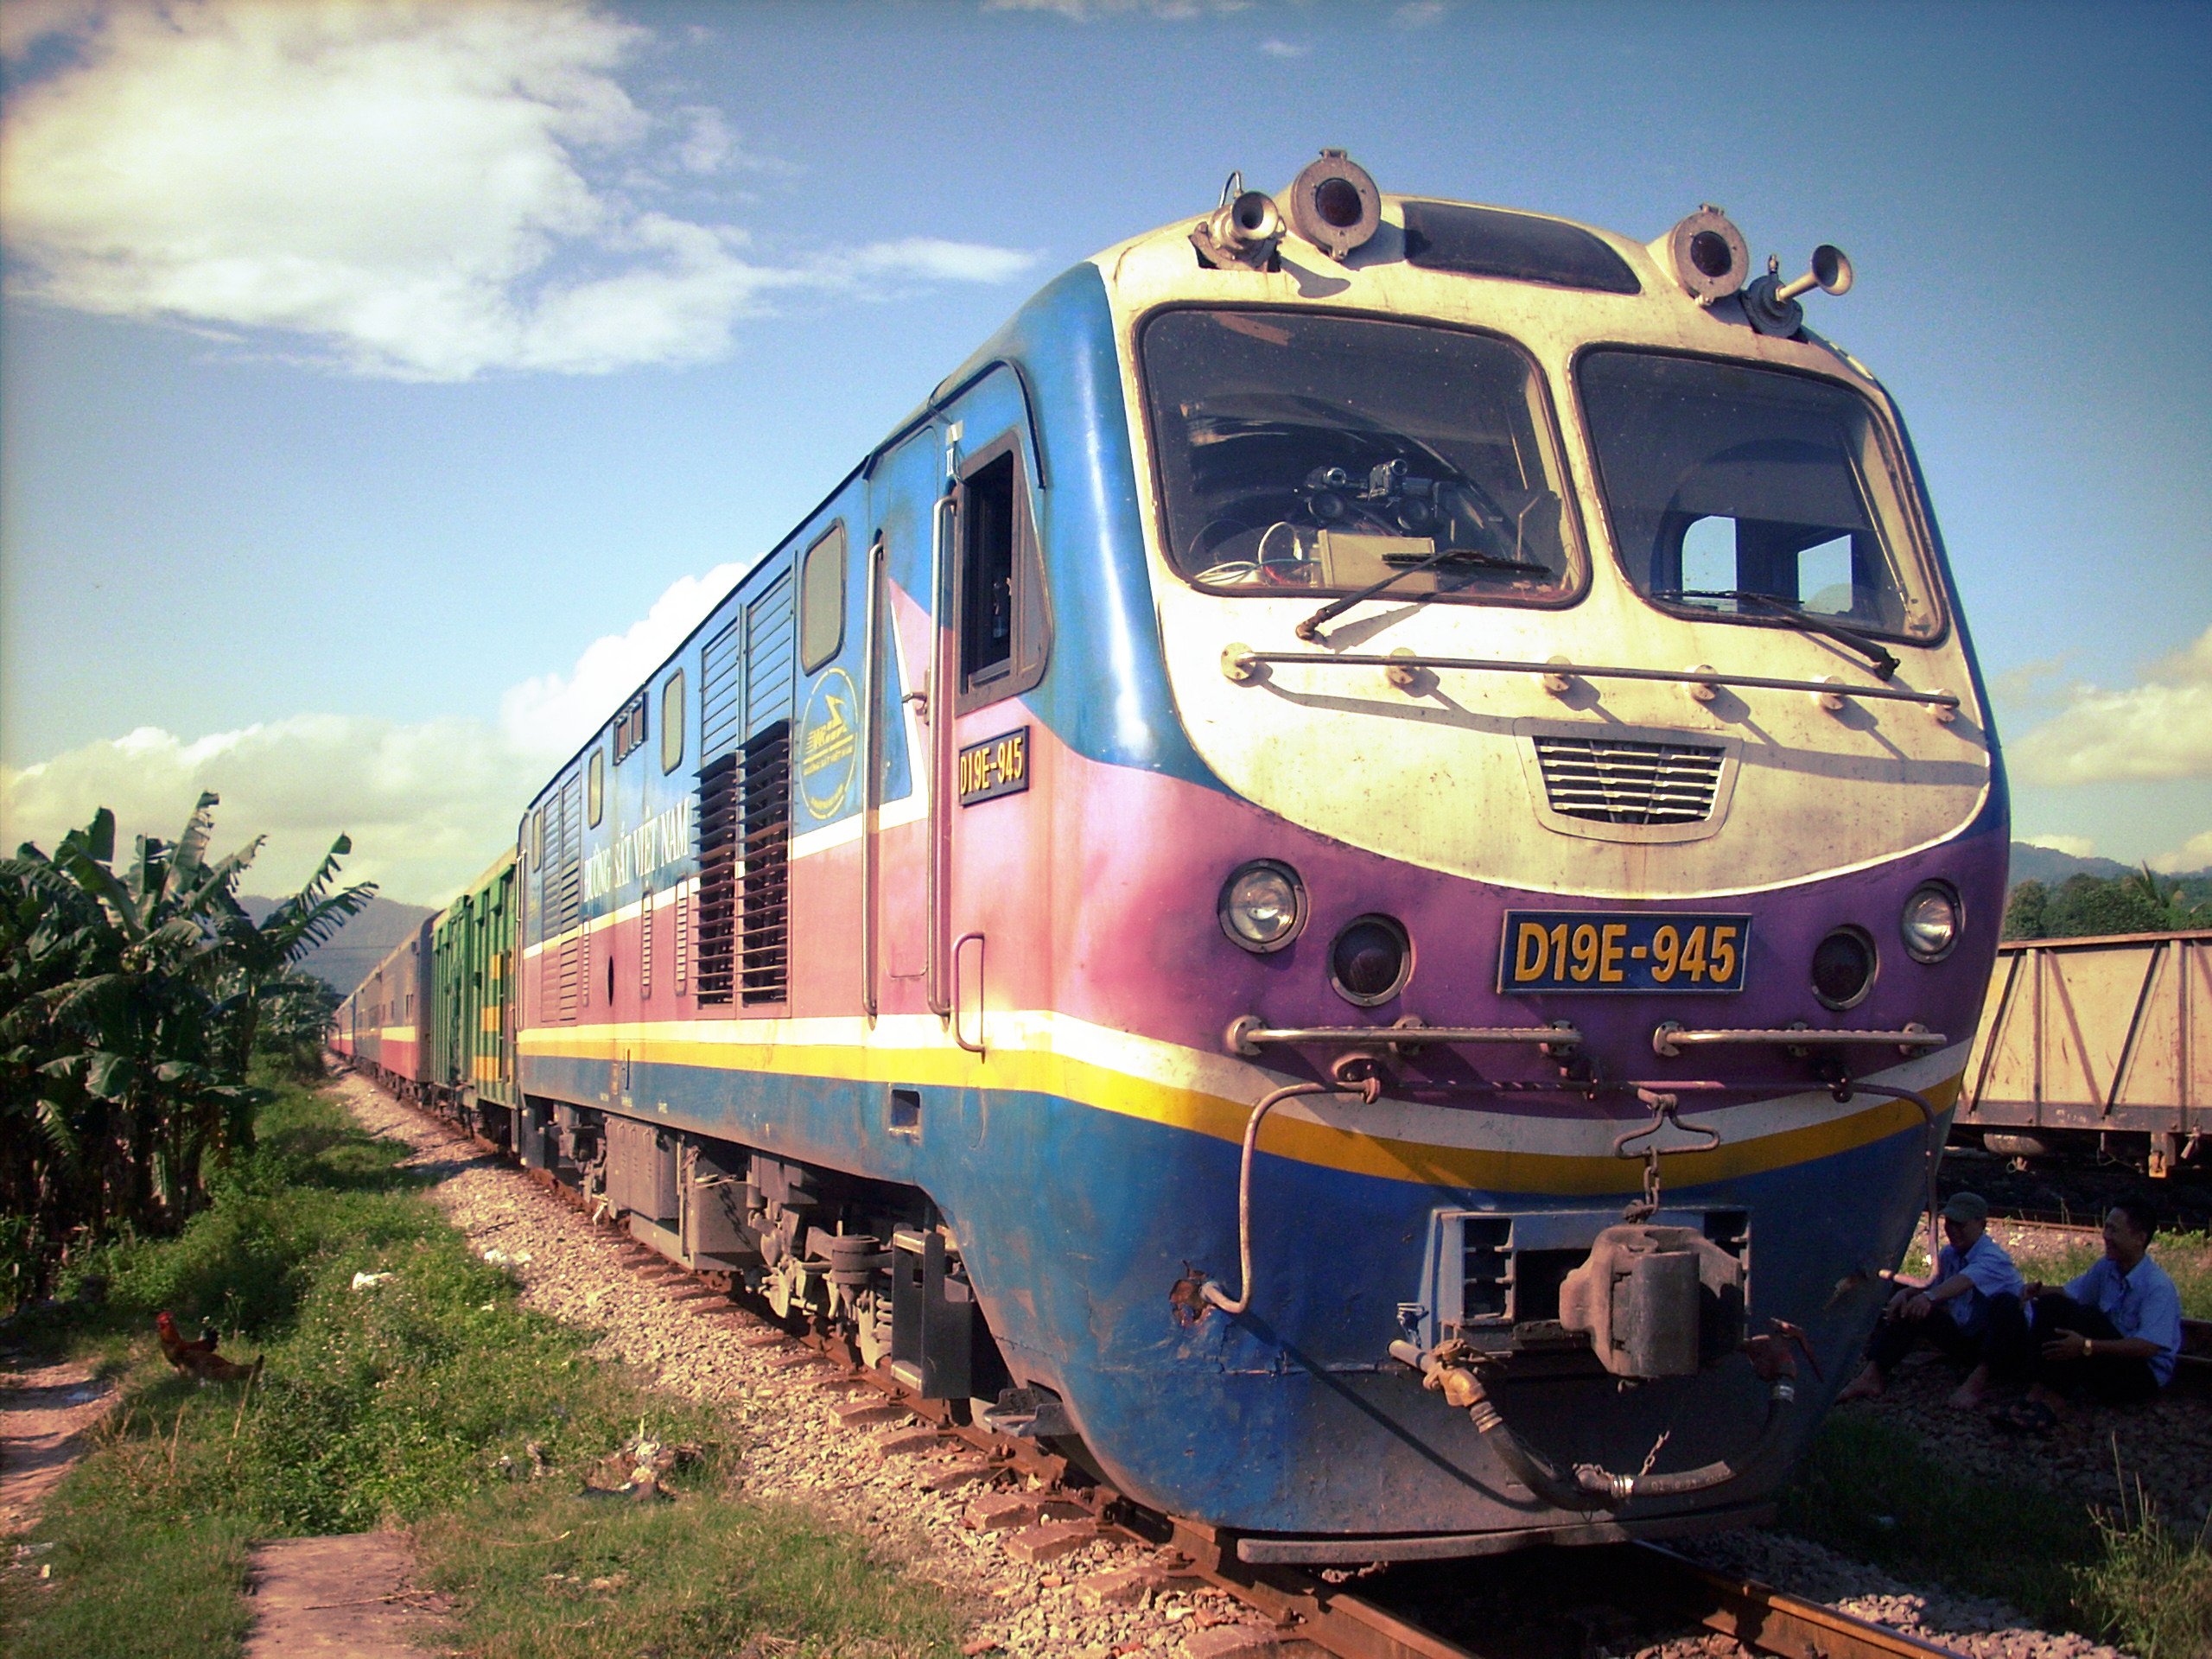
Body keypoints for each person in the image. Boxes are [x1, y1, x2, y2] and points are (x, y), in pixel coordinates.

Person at [1994, 1198, 2183, 1427]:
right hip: (2108, 1357)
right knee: (2051, 1304)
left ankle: (2055, 1403)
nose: (2105, 1236)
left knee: (2087, 1317)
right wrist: (2038, 1291)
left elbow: (2148, 1346)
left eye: (2114, 1230)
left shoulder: (2157, 1286)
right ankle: (2036, 1393)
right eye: (2106, 1228)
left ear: (2139, 1239)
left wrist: (2087, 1346)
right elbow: (2072, 1292)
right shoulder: (2107, 1267)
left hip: (2141, 1377)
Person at [1837, 1190, 2023, 1409]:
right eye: (1949, 1223)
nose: (1953, 1230)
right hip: (1967, 1336)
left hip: (2007, 1345)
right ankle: (1872, 1375)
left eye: (1960, 1224)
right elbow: (1932, 1285)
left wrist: (1928, 1297)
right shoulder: (1949, 1254)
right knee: (1911, 1307)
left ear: (1981, 1224)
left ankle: (1977, 1384)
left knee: (2007, 1304)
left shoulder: (1994, 1258)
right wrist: (1905, 1295)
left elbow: (1962, 1282)